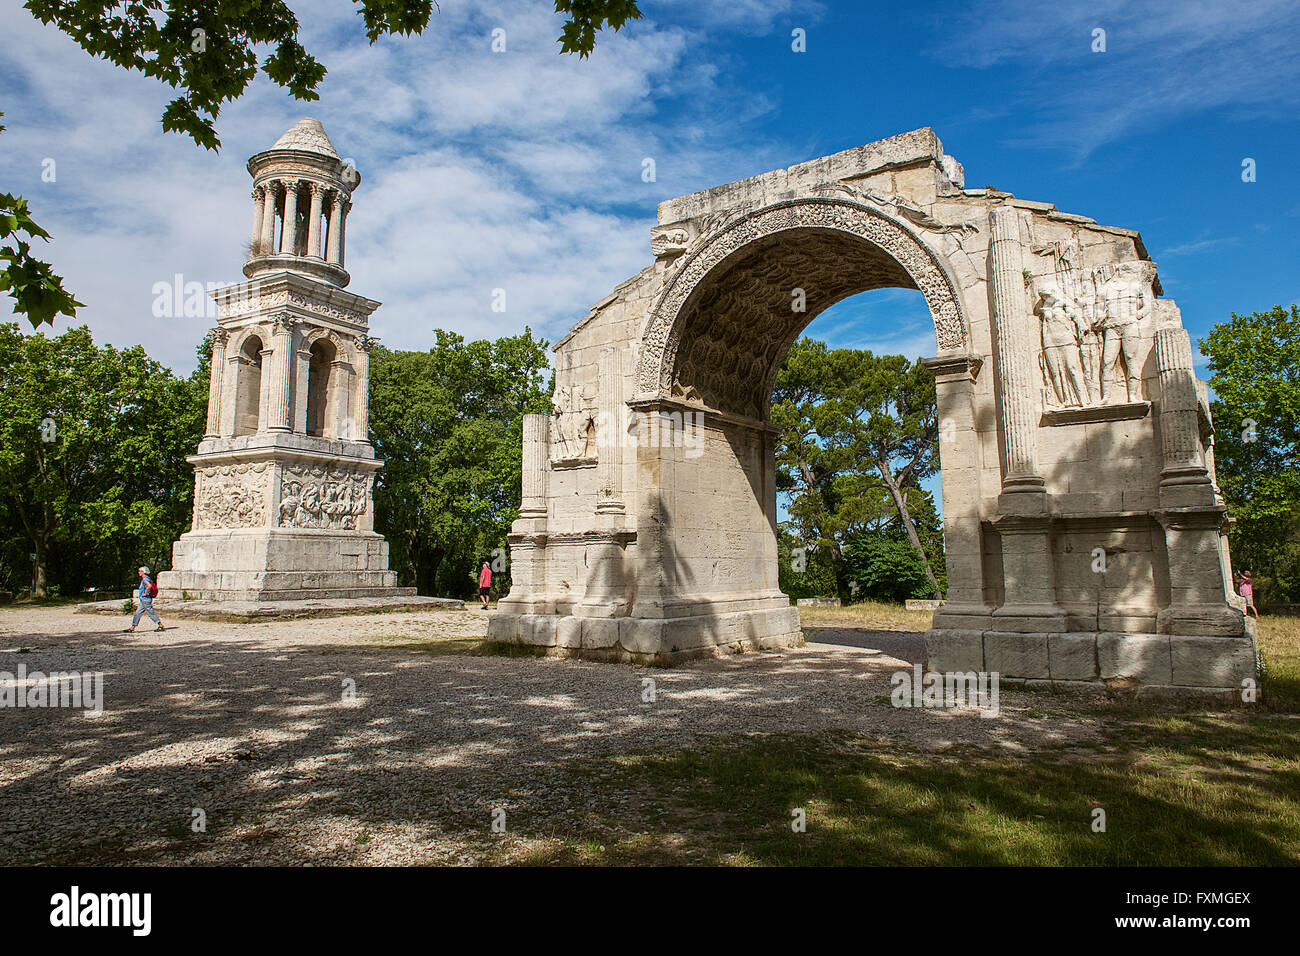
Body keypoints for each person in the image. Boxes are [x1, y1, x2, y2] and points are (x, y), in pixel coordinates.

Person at [125, 566, 167, 632]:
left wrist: (145, 593)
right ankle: (132, 627)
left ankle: (160, 625)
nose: (138, 572)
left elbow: (149, 586)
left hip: (145, 599)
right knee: (138, 613)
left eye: (140, 571)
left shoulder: (145, 579)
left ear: (143, 572)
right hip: (144, 599)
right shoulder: (147, 578)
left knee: (150, 612)